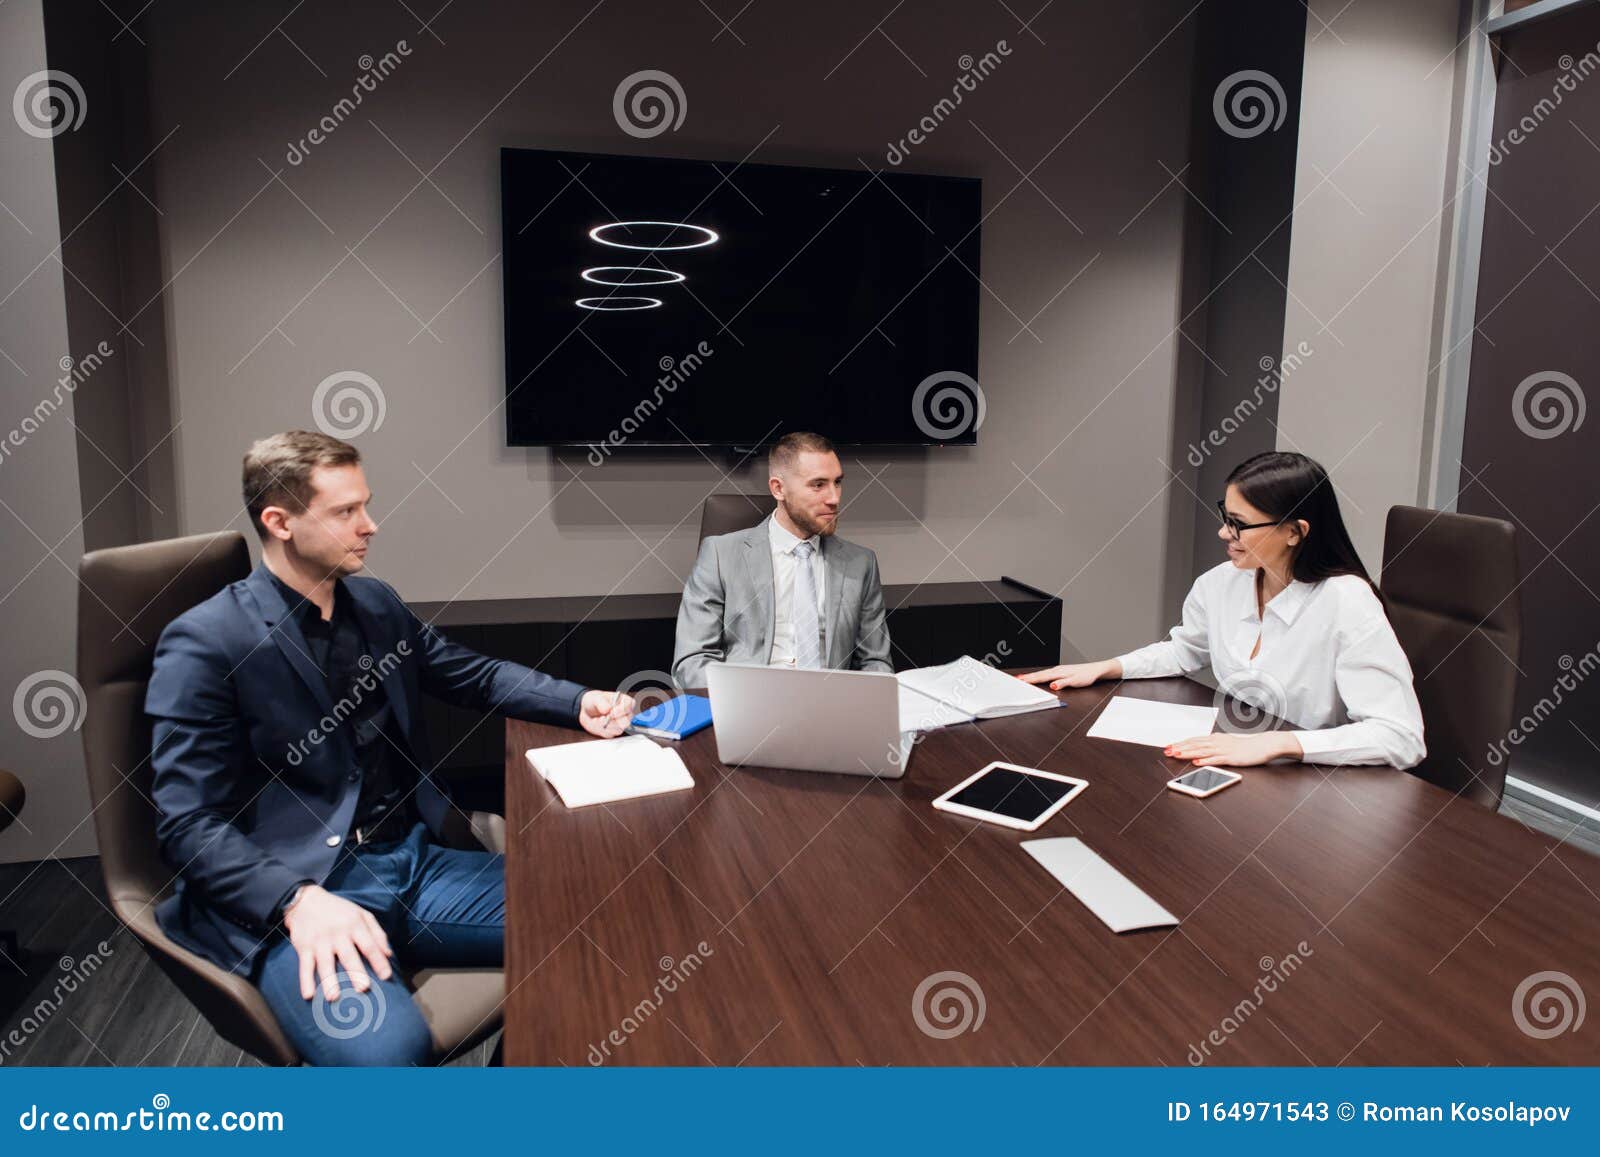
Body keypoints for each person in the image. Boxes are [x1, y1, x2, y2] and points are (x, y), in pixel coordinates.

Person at [146, 430, 636, 1065]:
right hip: (300, 890)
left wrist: (576, 701)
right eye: (346, 511)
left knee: (612, 924)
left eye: (366, 504)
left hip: (411, 861)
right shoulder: (206, 640)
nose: (370, 525)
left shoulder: (375, 605)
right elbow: (187, 824)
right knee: (388, 1053)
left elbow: (472, 674)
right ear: (280, 521)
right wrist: (296, 901)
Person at [1022, 451, 1425, 769]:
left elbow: (1399, 737)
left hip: (1316, 783)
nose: (1223, 533)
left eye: (1239, 524)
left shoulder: (1346, 602)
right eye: (1224, 516)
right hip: (1241, 761)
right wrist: (1106, 667)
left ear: (1294, 532)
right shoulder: (1221, 583)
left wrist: (1277, 745)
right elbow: (1184, 651)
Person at [672, 431, 892, 688]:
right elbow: (691, 661)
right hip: (748, 705)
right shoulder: (720, 555)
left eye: (837, 482)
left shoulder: (861, 563)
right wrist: (746, 699)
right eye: (818, 484)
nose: (834, 498)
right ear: (778, 488)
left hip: (830, 709)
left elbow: (876, 663)